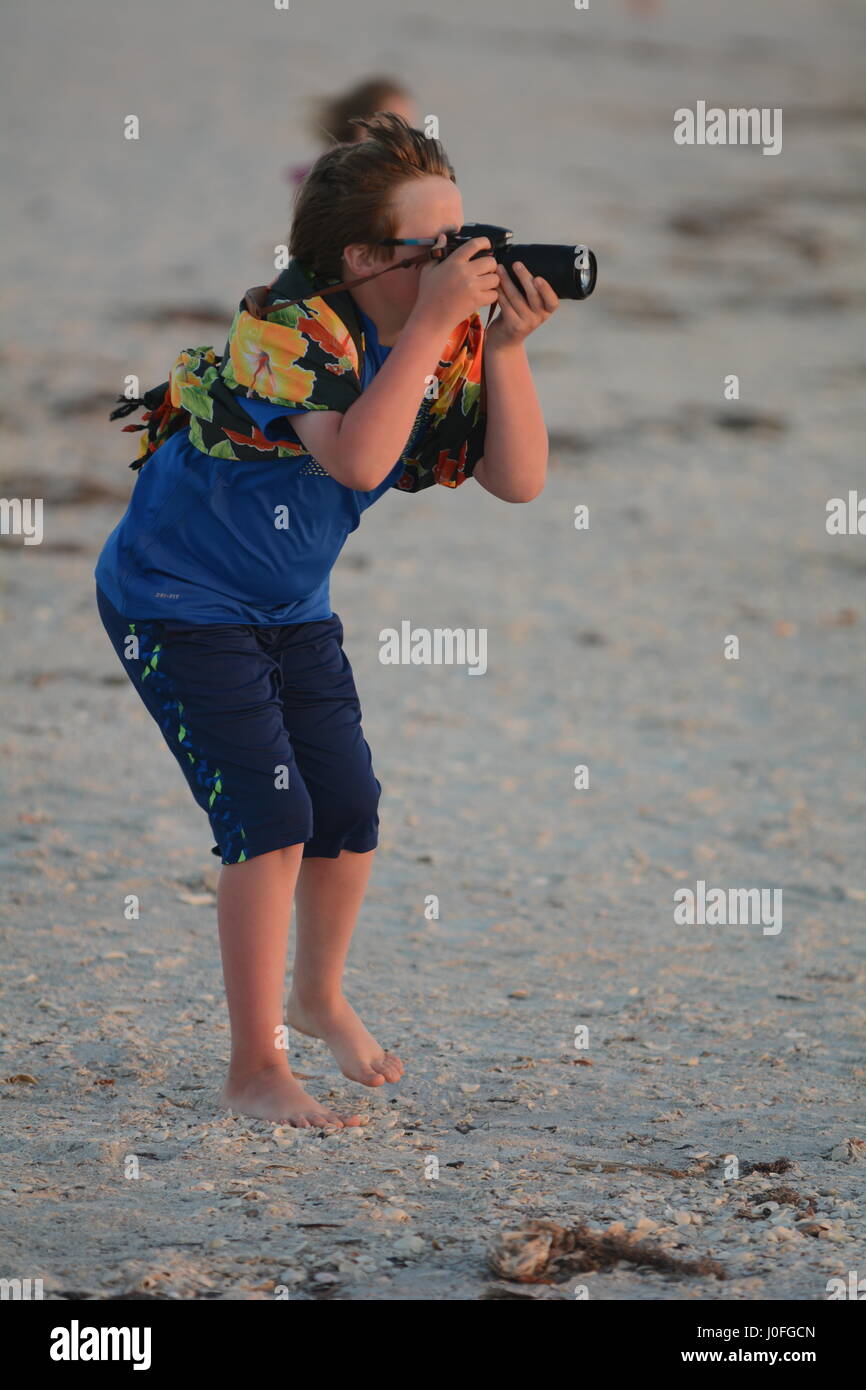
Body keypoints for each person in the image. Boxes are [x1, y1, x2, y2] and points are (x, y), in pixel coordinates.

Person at [95, 114, 559, 1126]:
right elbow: (354, 454)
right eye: (435, 249)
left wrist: (506, 348)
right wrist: (438, 326)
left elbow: (517, 481)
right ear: (358, 257)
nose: (463, 263)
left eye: (467, 237)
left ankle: (315, 995)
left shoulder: (439, 338)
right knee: (269, 820)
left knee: (344, 809)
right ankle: (253, 1065)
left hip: (288, 604)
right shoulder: (285, 326)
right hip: (173, 597)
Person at [286, 76, 417, 187]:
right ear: (363, 125)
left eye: (406, 127)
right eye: (392, 124)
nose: (403, 137)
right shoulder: (334, 175)